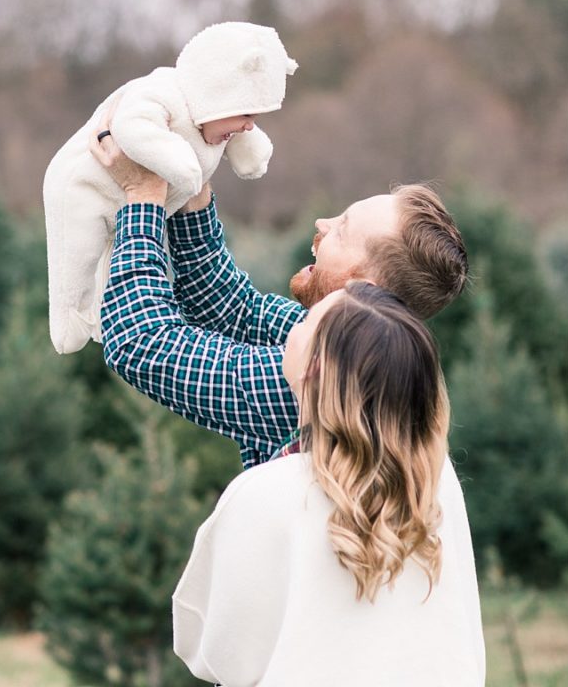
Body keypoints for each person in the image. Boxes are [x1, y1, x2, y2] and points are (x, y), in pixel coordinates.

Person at [86, 128, 469, 470]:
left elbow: (142, 344)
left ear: (363, 286)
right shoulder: (333, 339)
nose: (323, 224)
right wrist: (193, 188)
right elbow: (234, 311)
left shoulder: (326, 380)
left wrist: (142, 199)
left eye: (343, 229)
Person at [172, 281, 485, 686]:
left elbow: (215, 650)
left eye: (305, 321)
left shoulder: (265, 492)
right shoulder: (437, 480)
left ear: (313, 366)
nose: (292, 327)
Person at [43, 21, 298, 354]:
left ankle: (105, 322)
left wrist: (249, 152)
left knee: (120, 265)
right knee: (78, 259)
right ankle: (67, 324)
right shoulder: (164, 92)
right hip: (84, 191)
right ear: (218, 92)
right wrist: (179, 164)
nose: (249, 126)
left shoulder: (217, 119)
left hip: (136, 204)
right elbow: (131, 125)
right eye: (246, 114)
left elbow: (240, 131)